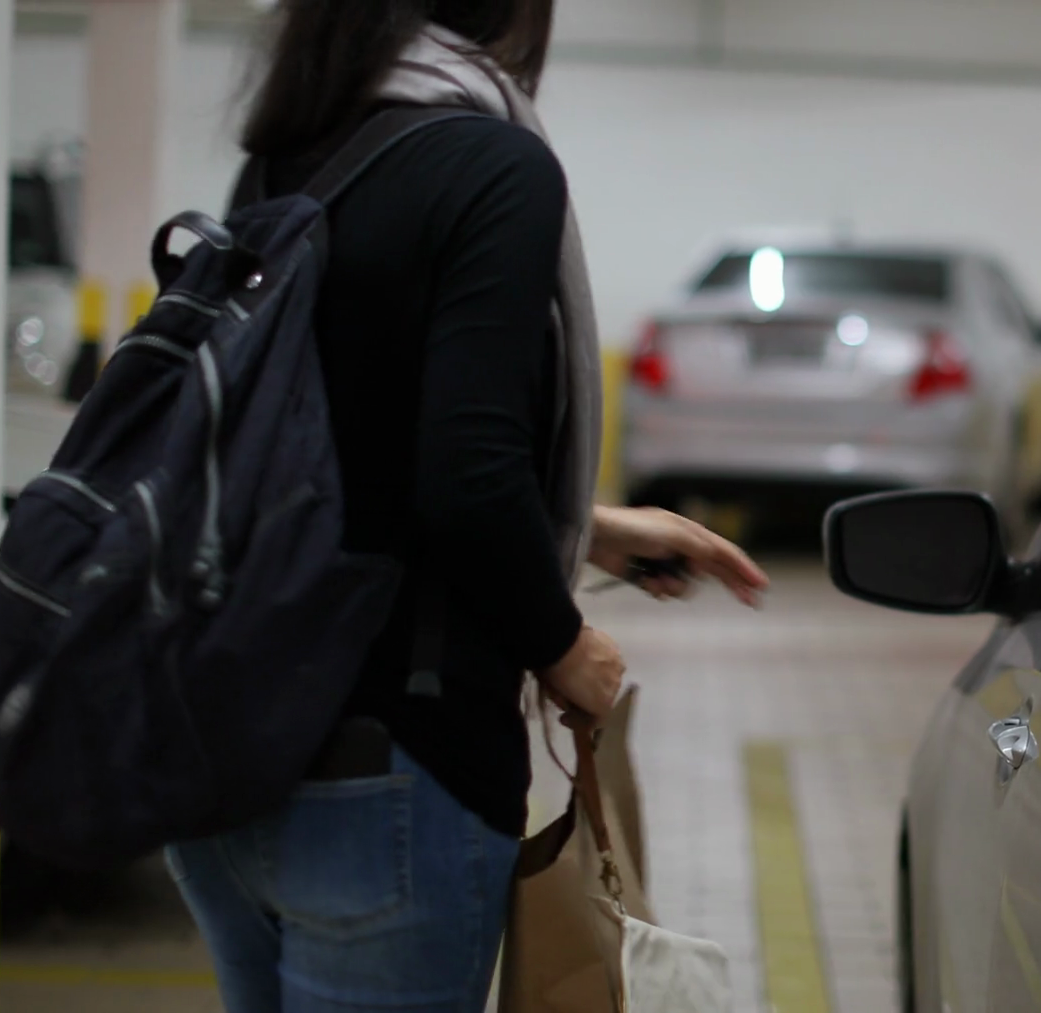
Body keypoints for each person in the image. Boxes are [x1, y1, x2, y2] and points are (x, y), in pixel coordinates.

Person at [163, 2, 769, 1011]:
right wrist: (564, 642)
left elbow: (331, 448)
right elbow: (465, 470)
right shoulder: (493, 164)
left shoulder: (285, 160)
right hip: (391, 770)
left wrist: (593, 528)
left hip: (225, 760)